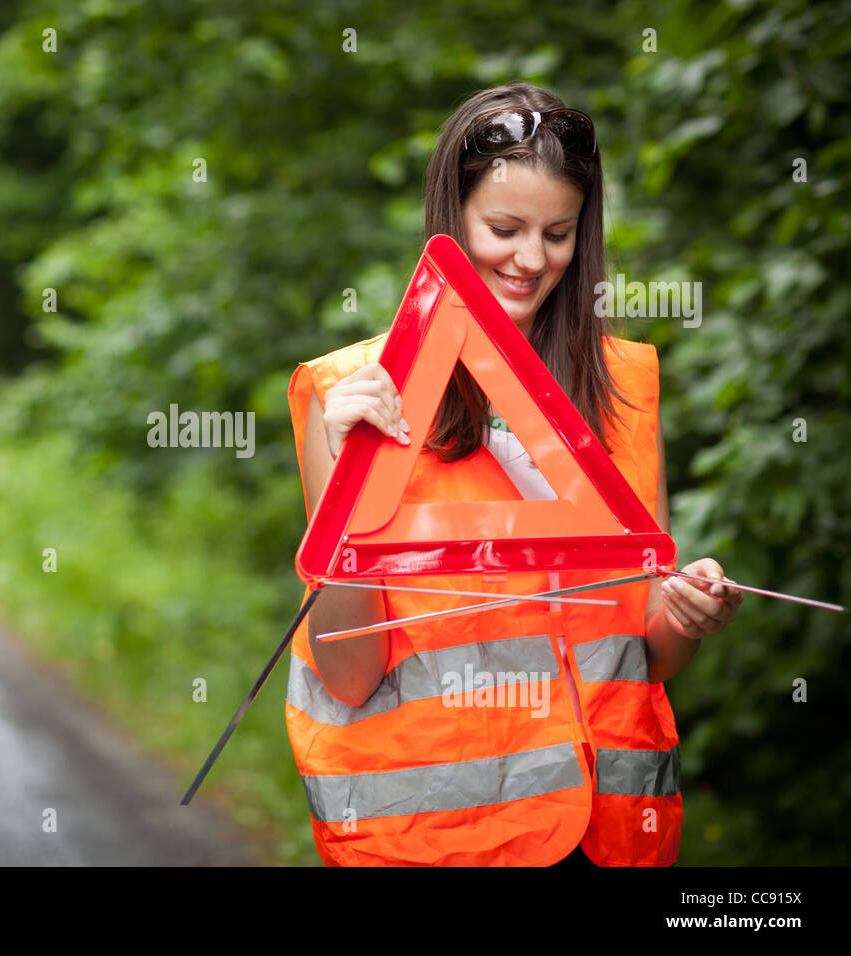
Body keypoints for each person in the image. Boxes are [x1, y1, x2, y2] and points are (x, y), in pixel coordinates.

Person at [285, 83, 743, 867]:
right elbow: (349, 673)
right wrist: (352, 488)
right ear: (450, 219)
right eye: (504, 228)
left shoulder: (624, 386)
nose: (532, 260)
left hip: (609, 837)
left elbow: (649, 654)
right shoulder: (353, 395)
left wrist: (686, 612)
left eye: (558, 233)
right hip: (434, 843)